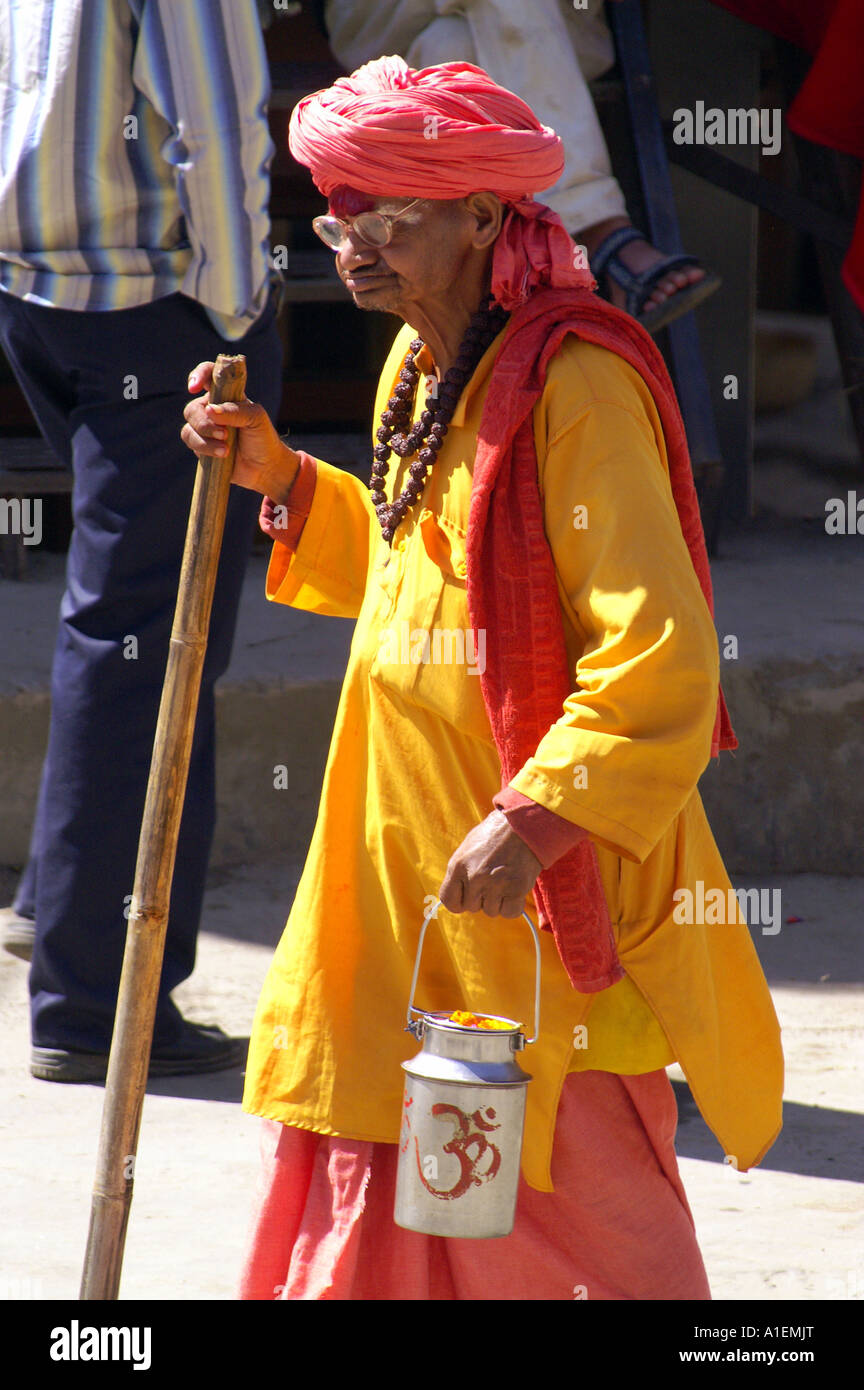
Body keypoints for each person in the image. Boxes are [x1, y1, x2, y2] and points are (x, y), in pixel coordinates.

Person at [183, 54, 782, 1300]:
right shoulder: (420, 368)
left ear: (483, 217)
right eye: (339, 209)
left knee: (586, 1225)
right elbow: (422, 582)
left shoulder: (581, 388)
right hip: (398, 877)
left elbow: (656, 653)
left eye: (389, 211)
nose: (351, 239)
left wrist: (535, 817)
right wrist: (285, 484)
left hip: (538, 901)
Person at [0, 0, 283, 1081]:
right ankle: (91, 1001)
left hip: (41, 295)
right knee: (146, 648)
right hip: (151, 307)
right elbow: (215, 124)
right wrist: (239, 299)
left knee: (125, 626)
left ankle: (55, 914)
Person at [322, 0, 720, 332]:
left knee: (454, 41)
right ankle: (598, 236)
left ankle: (558, 250)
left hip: (558, 22)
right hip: (390, 17)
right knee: (465, 35)